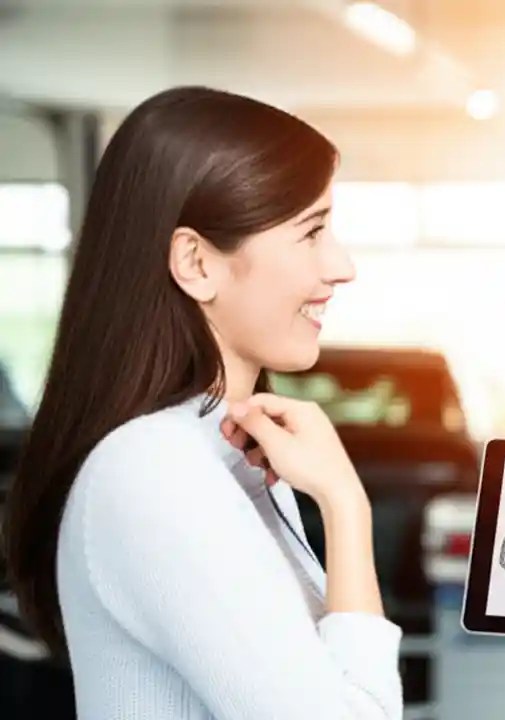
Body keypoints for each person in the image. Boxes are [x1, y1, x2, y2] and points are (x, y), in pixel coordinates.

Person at [2, 86, 403, 719]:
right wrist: (346, 506)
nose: (342, 265)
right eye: (312, 231)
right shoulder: (153, 472)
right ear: (196, 262)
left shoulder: (224, 453)